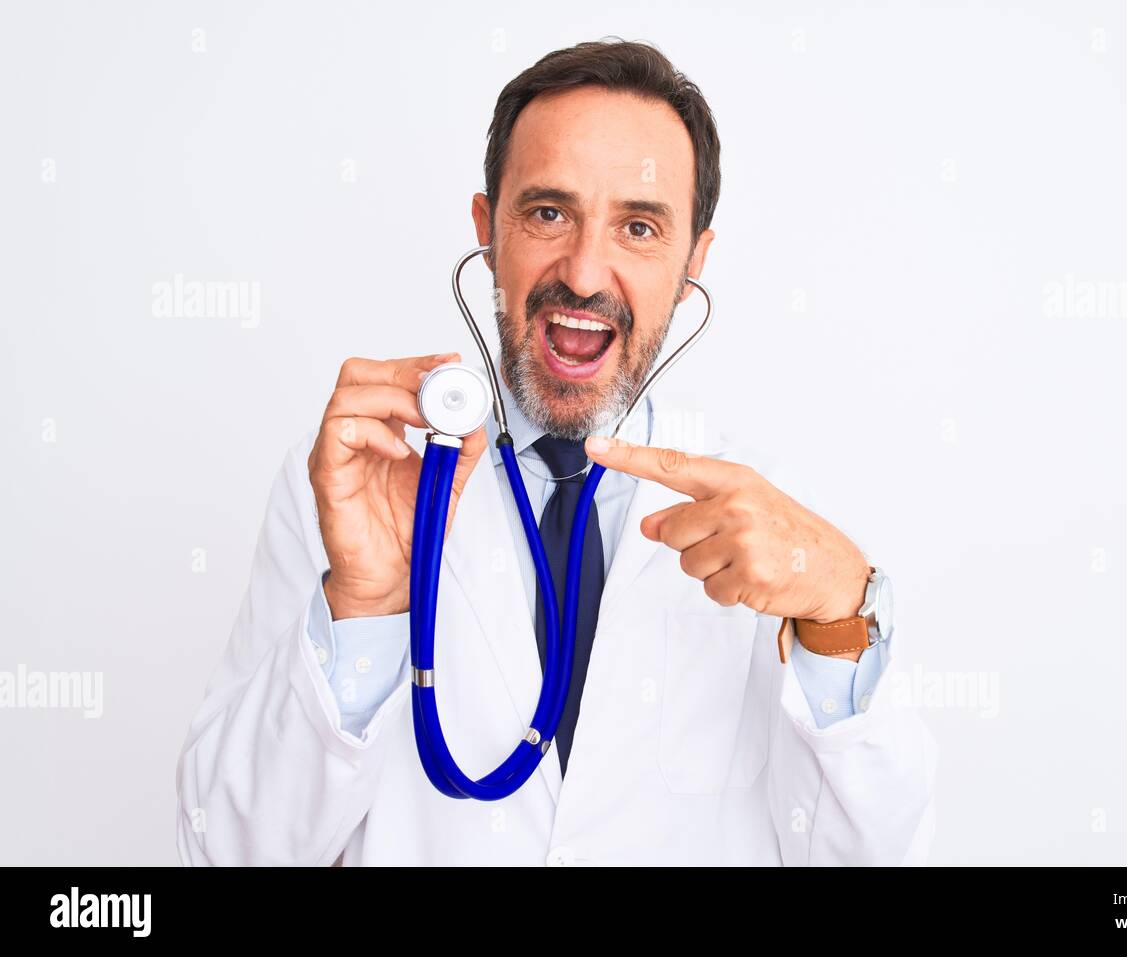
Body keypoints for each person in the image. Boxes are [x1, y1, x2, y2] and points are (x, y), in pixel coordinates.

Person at [175, 37, 937, 866]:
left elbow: (873, 857)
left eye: (639, 227)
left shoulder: (767, 525)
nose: (582, 271)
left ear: (692, 265)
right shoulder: (354, 481)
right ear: (486, 229)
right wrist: (366, 599)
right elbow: (225, 850)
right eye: (547, 212)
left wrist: (839, 617)